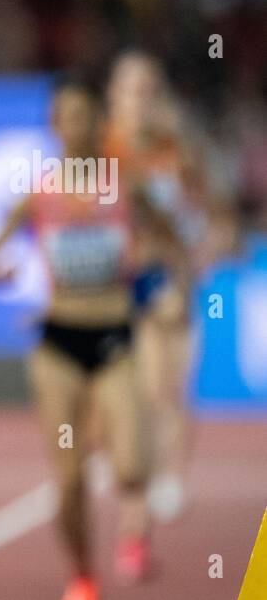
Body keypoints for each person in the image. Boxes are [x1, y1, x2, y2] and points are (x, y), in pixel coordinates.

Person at [0, 77, 181, 600]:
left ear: (98, 124)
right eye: (65, 116)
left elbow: (170, 240)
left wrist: (165, 284)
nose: (76, 126)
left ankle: (121, 463)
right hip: (59, 343)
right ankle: (83, 578)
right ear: (54, 125)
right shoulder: (42, 191)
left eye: (85, 115)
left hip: (114, 338)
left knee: (134, 470)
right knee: (66, 480)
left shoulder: (125, 186)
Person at [103, 52, 206, 522]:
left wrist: (191, 262)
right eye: (131, 89)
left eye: (148, 90)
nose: (140, 100)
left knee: (169, 384)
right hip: (121, 277)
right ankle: (122, 459)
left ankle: (172, 476)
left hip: (168, 274)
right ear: (114, 96)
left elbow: (203, 212)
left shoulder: (175, 149)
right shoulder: (103, 148)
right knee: (126, 383)